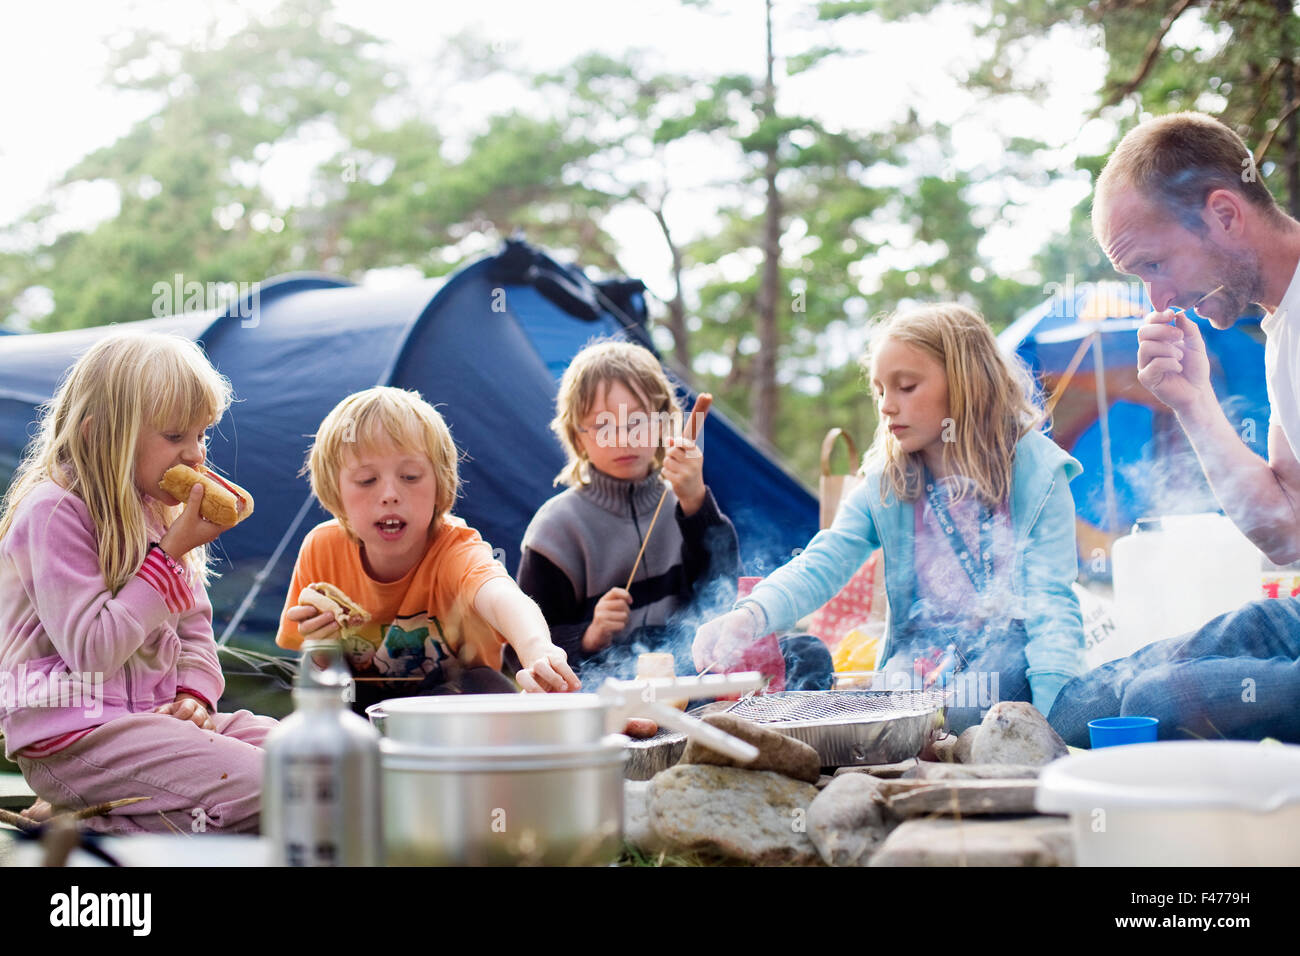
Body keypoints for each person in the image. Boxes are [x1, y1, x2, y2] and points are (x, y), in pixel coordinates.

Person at [692, 305, 1087, 732]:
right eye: (880, 390)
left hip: (1012, 646)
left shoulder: (1036, 472)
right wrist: (748, 616)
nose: (886, 406)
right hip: (924, 651)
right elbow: (823, 561)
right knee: (887, 718)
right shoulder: (891, 482)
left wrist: (1050, 719)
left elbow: (1052, 604)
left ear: (968, 383)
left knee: (975, 708)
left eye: (906, 387)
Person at [1050, 110, 1300, 745]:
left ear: (1223, 213)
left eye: (1156, 264)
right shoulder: (1280, 332)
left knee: (1156, 699)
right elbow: (1286, 530)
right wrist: (1193, 402)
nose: (1157, 301)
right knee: (1086, 705)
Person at [0, 332, 277, 834]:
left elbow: (193, 625)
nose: (196, 455)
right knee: (275, 788)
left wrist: (195, 695)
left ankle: (94, 812)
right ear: (98, 435)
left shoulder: (155, 508)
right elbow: (93, 650)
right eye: (175, 437)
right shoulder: (54, 512)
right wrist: (169, 554)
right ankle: (91, 825)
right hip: (74, 733)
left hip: (152, 721)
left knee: (317, 763)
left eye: (202, 435)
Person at [276, 386, 580, 715]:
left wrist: (538, 649)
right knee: (289, 684)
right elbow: (320, 665)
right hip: (361, 703)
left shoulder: (454, 548)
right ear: (335, 492)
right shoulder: (323, 548)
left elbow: (501, 595)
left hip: (450, 701)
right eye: (367, 480)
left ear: (440, 485)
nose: (390, 494)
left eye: (410, 476)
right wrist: (321, 645)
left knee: (485, 683)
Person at [516, 340, 775, 685]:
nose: (623, 438)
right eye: (604, 425)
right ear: (578, 439)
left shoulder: (683, 500)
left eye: (637, 421)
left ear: (664, 424)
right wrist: (588, 636)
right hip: (602, 691)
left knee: (806, 651)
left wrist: (696, 501)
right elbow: (523, 648)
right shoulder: (556, 529)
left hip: (688, 679)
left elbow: (724, 592)